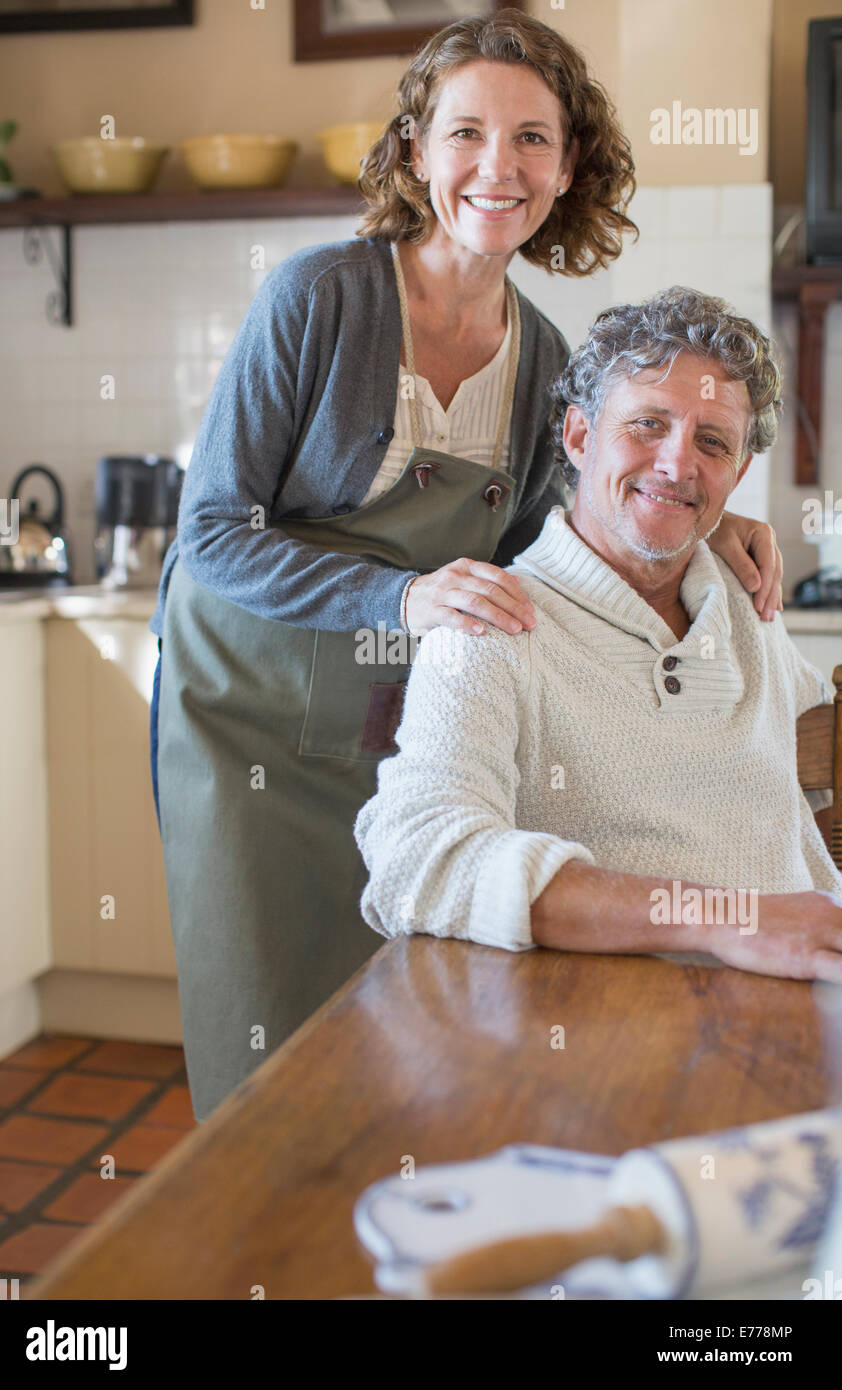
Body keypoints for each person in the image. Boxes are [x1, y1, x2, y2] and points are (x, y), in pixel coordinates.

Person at [151, 10, 785, 1121]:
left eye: (532, 138)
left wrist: (699, 526)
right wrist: (397, 593)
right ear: (414, 152)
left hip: (393, 722)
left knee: (394, 1023)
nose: (498, 168)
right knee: (266, 1040)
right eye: (465, 134)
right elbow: (211, 529)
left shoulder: (543, 353)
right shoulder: (320, 299)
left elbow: (550, 521)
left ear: (568, 163)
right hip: (245, 720)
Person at [354, 286, 842, 984]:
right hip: (606, 1034)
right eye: (647, 425)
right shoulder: (490, 626)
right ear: (579, 437)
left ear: (736, 473)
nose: (678, 465)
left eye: (712, 442)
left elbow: (820, 724)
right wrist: (731, 919)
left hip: (806, 1010)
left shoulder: (745, 597)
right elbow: (417, 856)